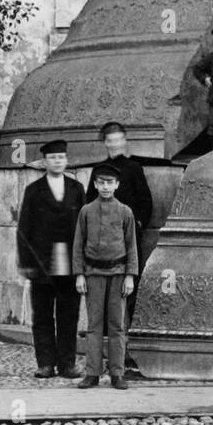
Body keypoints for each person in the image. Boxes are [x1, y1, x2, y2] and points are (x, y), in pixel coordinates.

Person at [86, 121, 153, 366]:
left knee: (128, 294)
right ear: (105, 143)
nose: (114, 144)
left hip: (128, 242)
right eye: (109, 140)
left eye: (118, 140)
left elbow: (146, 202)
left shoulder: (134, 169)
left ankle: (126, 351)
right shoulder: (99, 171)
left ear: (124, 141)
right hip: (101, 245)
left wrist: (138, 224)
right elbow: (88, 206)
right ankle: (102, 354)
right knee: (101, 300)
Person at [16, 140, 85, 379]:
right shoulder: (34, 190)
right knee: (43, 315)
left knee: (69, 314)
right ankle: (45, 363)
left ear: (66, 161)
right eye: (53, 157)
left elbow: (83, 227)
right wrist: (27, 264)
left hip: (69, 263)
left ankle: (67, 364)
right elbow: (24, 229)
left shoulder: (76, 189)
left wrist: (82, 264)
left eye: (61, 157)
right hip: (41, 263)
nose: (57, 161)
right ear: (44, 162)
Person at [73, 165, 138, 389]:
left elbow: (132, 246)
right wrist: (79, 274)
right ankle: (92, 372)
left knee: (117, 325)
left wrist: (130, 275)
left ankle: (117, 373)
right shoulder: (87, 212)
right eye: (101, 182)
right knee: (94, 325)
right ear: (95, 184)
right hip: (93, 275)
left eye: (110, 182)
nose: (105, 187)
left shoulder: (125, 212)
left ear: (117, 185)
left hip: (118, 274)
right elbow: (78, 245)